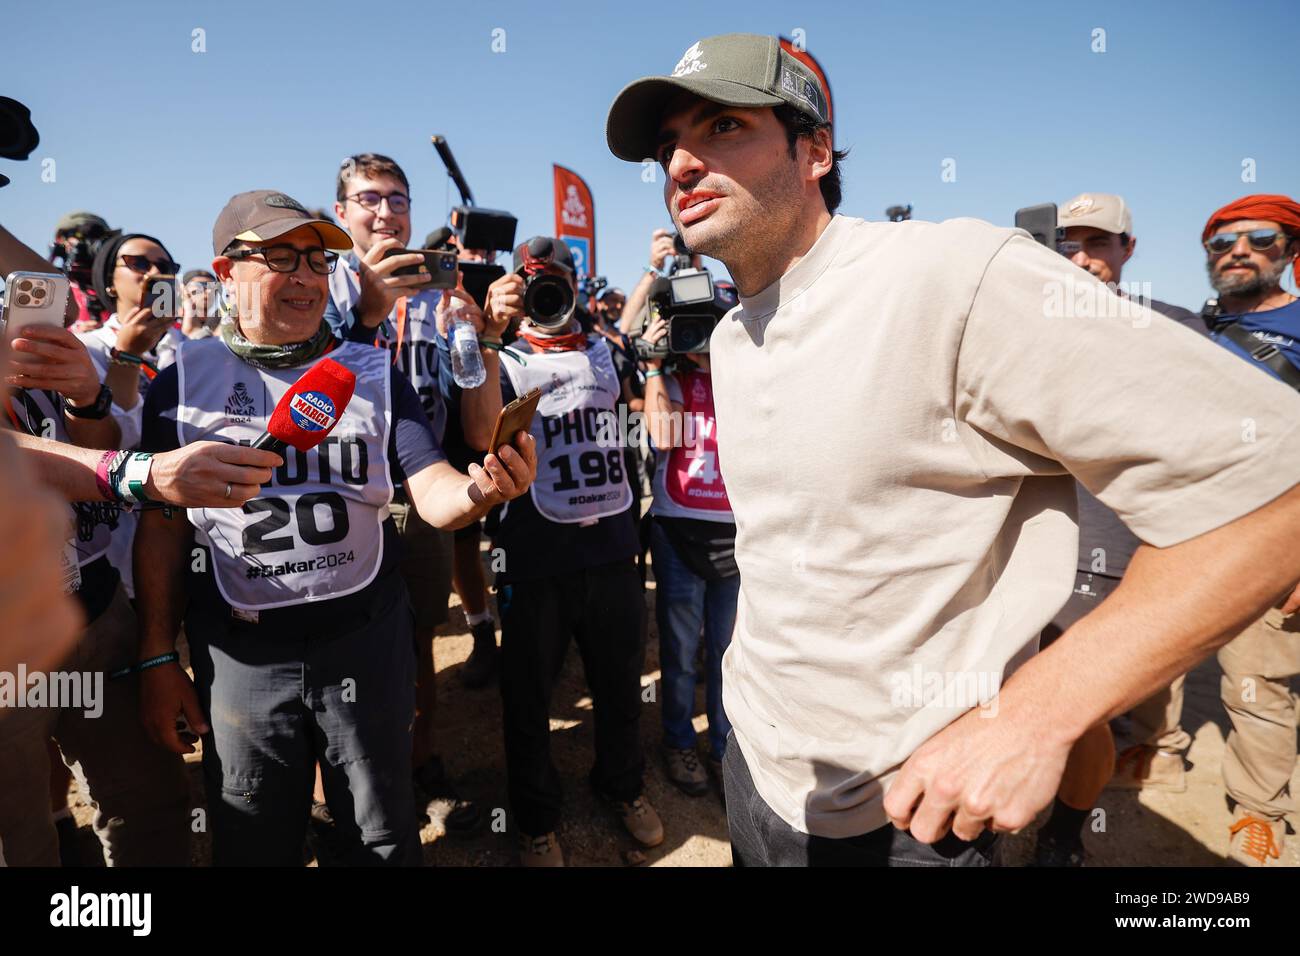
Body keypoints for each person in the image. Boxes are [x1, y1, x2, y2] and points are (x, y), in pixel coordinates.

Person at [606, 32, 1300, 867]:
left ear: (815, 149)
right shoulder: (728, 337)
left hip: (910, 816)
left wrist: (1041, 713)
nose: (680, 163)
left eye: (721, 128)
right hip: (757, 770)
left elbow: (1275, 489)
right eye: (667, 145)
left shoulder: (950, 276)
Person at [133, 190, 535, 867]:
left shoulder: (372, 372)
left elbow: (431, 489)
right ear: (227, 271)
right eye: (283, 257)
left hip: (365, 641)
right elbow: (163, 528)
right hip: (241, 657)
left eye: (319, 262)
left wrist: (479, 491)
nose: (306, 276)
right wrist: (154, 655)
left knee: (380, 835)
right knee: (253, 837)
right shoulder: (178, 383)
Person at [324, 152, 510, 833]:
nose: (385, 211)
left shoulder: (438, 296)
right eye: (368, 199)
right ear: (340, 215)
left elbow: (474, 413)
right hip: (337, 501)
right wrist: (366, 315)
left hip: (421, 491)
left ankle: (420, 756)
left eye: (398, 200)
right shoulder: (318, 287)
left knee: (421, 636)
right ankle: (331, 787)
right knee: (335, 645)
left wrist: (484, 337)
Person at [1031, 192, 1208, 866]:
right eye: (1068, 243)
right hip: (1016, 549)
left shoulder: (1174, 330)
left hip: (1105, 556)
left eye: (1097, 243)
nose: (1081, 257)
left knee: (1079, 711)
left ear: (1128, 249)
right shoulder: (1025, 325)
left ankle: (1062, 837)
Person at [489, 236, 660, 866]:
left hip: (614, 546)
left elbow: (643, 417)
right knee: (528, 696)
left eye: (557, 278)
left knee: (619, 684)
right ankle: (535, 818)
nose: (548, 291)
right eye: (536, 281)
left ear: (575, 283)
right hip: (535, 556)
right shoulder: (500, 356)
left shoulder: (609, 348)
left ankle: (624, 785)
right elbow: (477, 432)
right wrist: (485, 333)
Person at [0, 315, 191, 867]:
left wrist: (88, 399)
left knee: (149, 802)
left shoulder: (26, 348)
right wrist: (142, 474)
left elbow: (97, 445)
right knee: (18, 837)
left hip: (97, 605)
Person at [1198, 193, 1300, 866]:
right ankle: (1160, 746)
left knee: (1258, 685)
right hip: (1186, 530)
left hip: (1272, 537)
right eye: (1221, 243)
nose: (1237, 250)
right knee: (1159, 664)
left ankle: (1260, 811)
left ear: (1289, 250)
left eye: (1259, 238)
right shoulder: (1191, 327)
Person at [640, 311, 739, 797]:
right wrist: (657, 364)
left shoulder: (748, 368)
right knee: (679, 654)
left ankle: (724, 749)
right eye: (693, 325)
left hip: (738, 534)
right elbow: (662, 436)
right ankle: (678, 740)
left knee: (728, 653)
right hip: (678, 528)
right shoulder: (674, 378)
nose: (701, 336)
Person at [49, 211, 111, 332]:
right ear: (60, 241)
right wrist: (74, 332)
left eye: (97, 237)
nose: (89, 243)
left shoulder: (117, 287)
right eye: (80, 235)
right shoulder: (52, 287)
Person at [180, 269, 220, 338]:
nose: (209, 291)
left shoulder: (220, 321)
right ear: (184, 289)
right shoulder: (168, 324)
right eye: (201, 285)